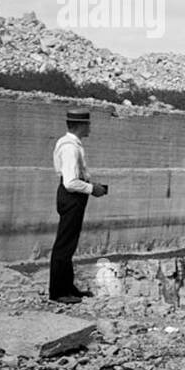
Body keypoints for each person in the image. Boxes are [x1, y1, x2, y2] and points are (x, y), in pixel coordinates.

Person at [50, 109, 107, 304]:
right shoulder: (70, 147)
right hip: (71, 196)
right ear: (80, 125)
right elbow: (70, 182)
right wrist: (92, 189)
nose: (90, 127)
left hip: (73, 197)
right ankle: (58, 292)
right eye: (88, 124)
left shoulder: (71, 144)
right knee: (64, 245)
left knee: (68, 244)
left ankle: (68, 288)